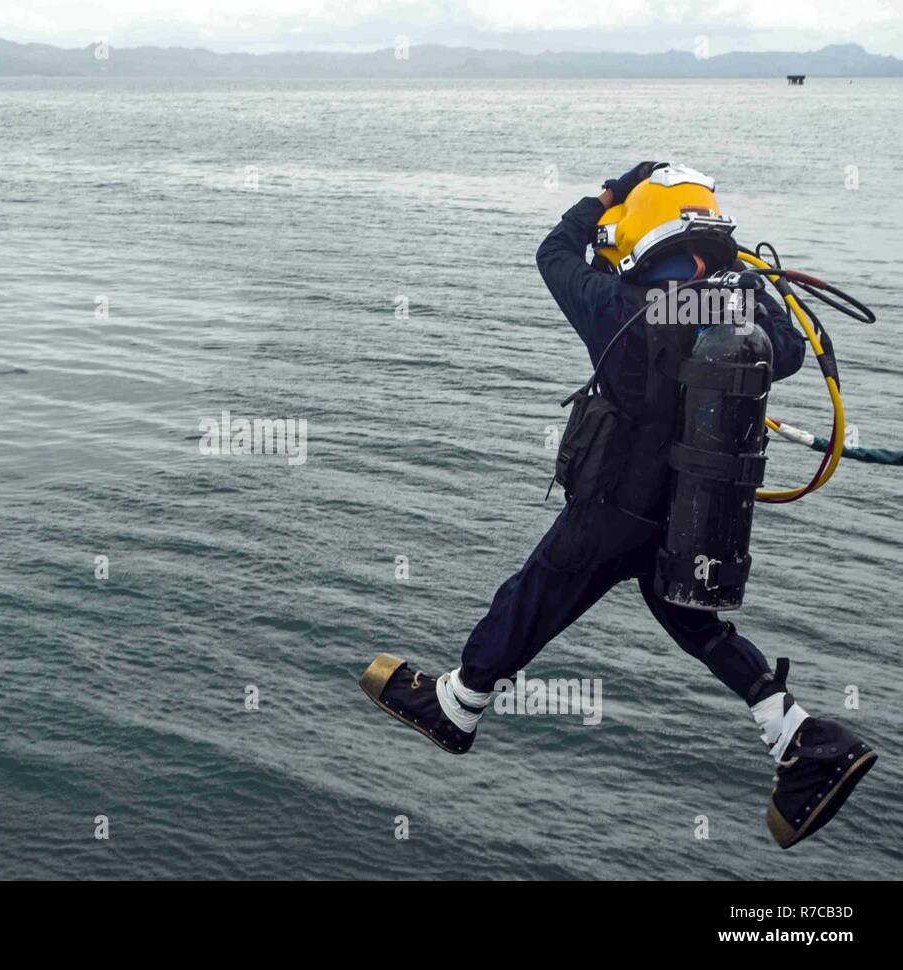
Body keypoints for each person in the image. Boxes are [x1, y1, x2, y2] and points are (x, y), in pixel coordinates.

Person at [360, 162, 876, 849]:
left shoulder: (616, 305)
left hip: (614, 507)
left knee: (536, 590)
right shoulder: (739, 309)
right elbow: (785, 350)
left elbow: (553, 251)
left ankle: (457, 705)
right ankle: (801, 733)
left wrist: (604, 195)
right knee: (695, 623)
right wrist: (740, 284)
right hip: (687, 513)